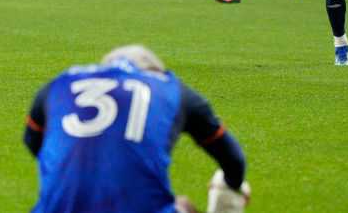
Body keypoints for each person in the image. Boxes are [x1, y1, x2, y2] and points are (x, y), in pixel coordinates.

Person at [23, 45, 250, 213]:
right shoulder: (173, 90)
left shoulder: (57, 84)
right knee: (183, 206)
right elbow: (234, 160)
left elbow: (32, 142)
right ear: (156, 72)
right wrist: (229, 188)